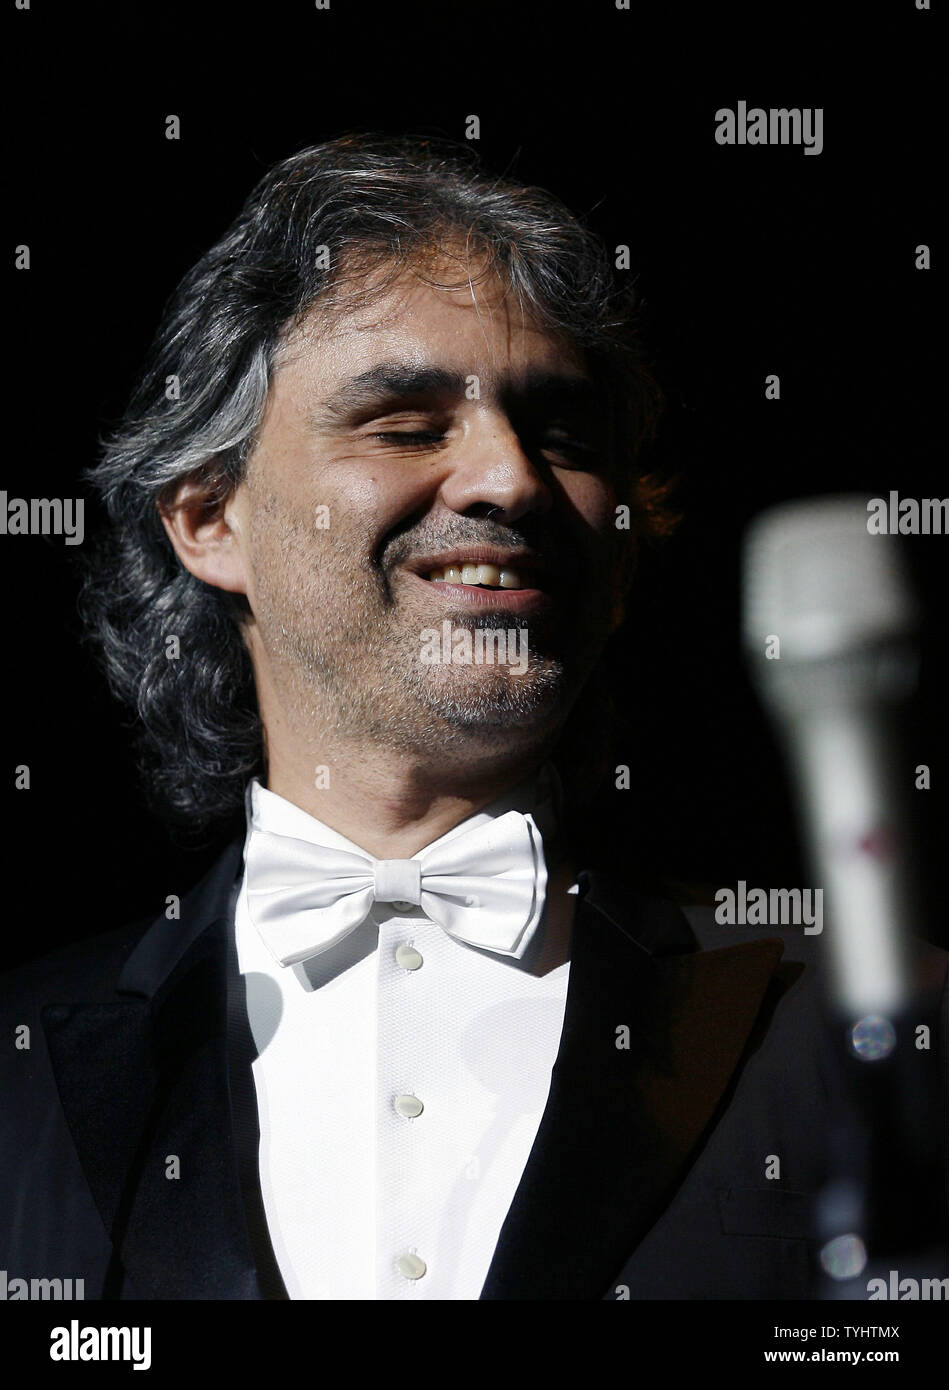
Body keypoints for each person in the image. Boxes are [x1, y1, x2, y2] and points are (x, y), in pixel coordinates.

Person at [2, 133, 945, 1301]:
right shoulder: (21, 1065)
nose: (507, 477)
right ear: (208, 517)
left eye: (561, 432)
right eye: (404, 423)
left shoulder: (884, 1024)